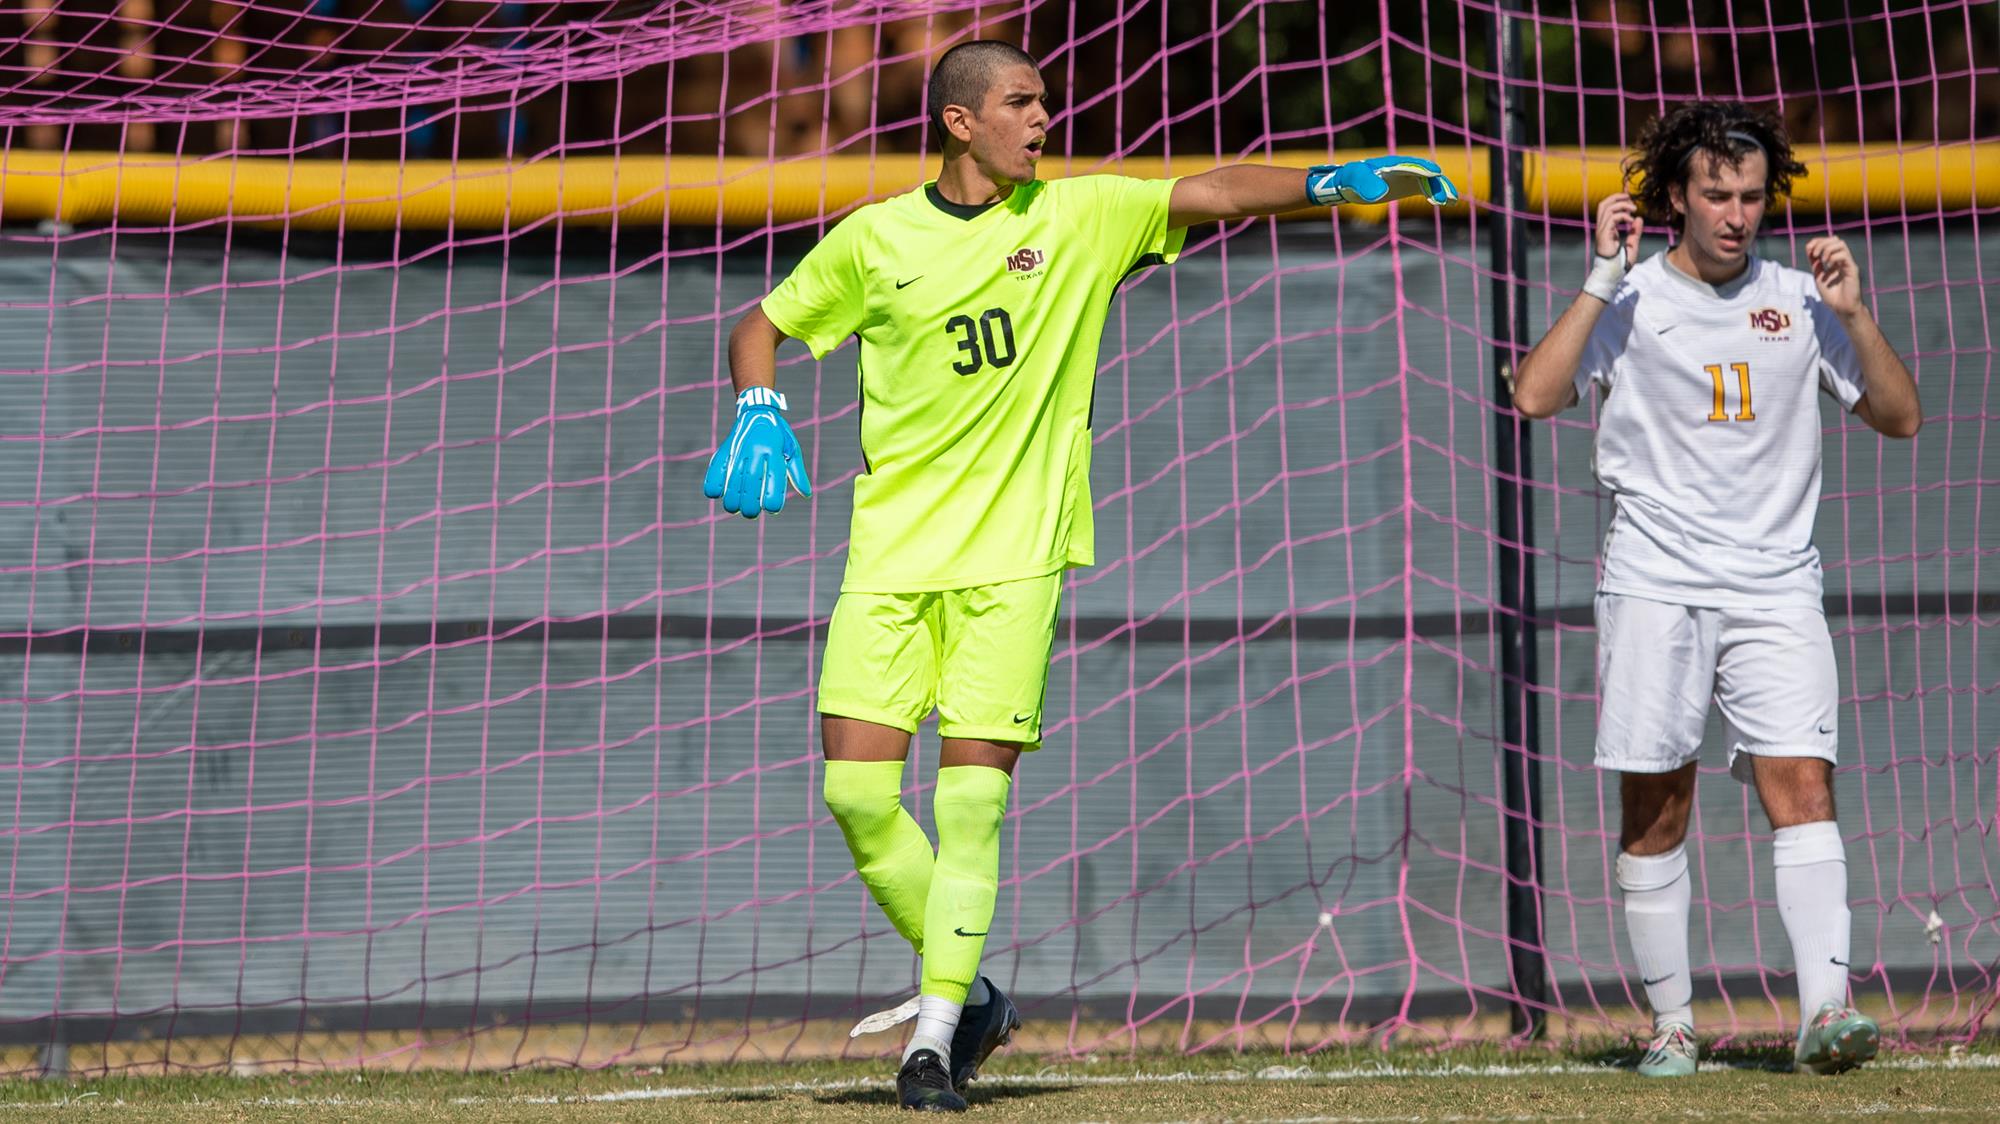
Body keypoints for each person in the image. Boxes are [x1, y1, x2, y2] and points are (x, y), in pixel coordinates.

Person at [703, 39, 1455, 1112]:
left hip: (1016, 558)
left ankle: (931, 1037)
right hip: (891, 553)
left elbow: (1208, 189)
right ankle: (976, 998)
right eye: (1019, 103)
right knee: (857, 794)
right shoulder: (877, 240)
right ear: (961, 122)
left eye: (1044, 103)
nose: (1042, 119)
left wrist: (1330, 180)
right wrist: (759, 401)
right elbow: (759, 326)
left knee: (968, 803)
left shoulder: (1078, 217)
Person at [1512, 100, 1921, 1078]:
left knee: (1802, 782)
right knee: (1656, 802)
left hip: (1776, 584)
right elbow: (1531, 394)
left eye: (1749, 196)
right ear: (1674, 199)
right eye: (1714, 195)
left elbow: (1900, 417)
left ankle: (1824, 1008)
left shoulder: (1802, 293)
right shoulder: (1630, 298)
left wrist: (1854, 314)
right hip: (1654, 581)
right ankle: (1670, 1024)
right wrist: (1596, 282)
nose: (1735, 214)